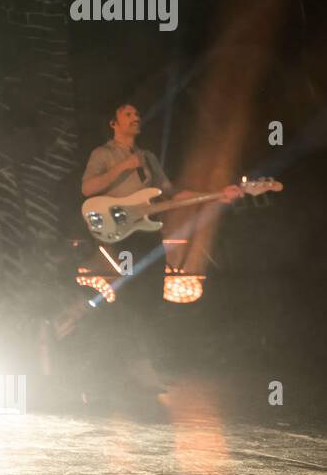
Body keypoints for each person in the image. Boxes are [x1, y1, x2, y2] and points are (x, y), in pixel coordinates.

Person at [80, 102, 239, 396]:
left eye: (137, 114)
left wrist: (216, 195)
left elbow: (172, 193)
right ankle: (127, 368)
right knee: (130, 295)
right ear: (113, 123)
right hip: (120, 233)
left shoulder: (148, 158)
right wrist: (122, 167)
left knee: (151, 295)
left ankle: (141, 366)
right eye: (128, 114)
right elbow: (88, 189)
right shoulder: (102, 154)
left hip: (147, 232)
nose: (135, 117)